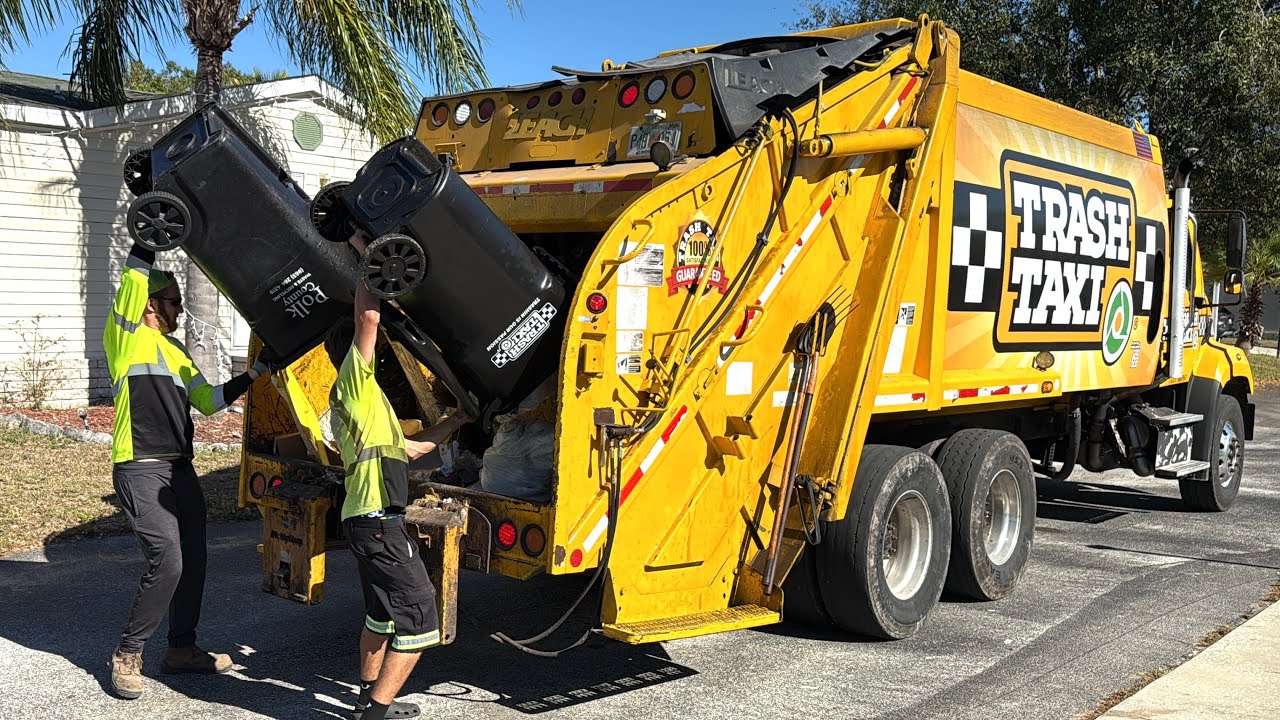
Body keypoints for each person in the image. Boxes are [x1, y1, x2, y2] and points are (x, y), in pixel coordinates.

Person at [104, 243, 277, 699]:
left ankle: (181, 649)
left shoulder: (176, 351)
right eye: (174, 301)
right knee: (168, 560)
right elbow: (131, 282)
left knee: (194, 560)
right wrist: (147, 240)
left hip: (180, 470)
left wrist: (254, 373)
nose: (180, 309)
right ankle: (127, 652)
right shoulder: (124, 339)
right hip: (140, 468)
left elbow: (208, 402)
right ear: (150, 305)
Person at [325, 232, 471, 720]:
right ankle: (375, 714)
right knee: (421, 617)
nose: (381, 351)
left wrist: (457, 420)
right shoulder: (354, 381)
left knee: (382, 614)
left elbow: (412, 450)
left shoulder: (369, 407)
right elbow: (368, 318)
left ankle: (366, 698)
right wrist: (370, 257)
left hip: (367, 521)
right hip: (376, 521)